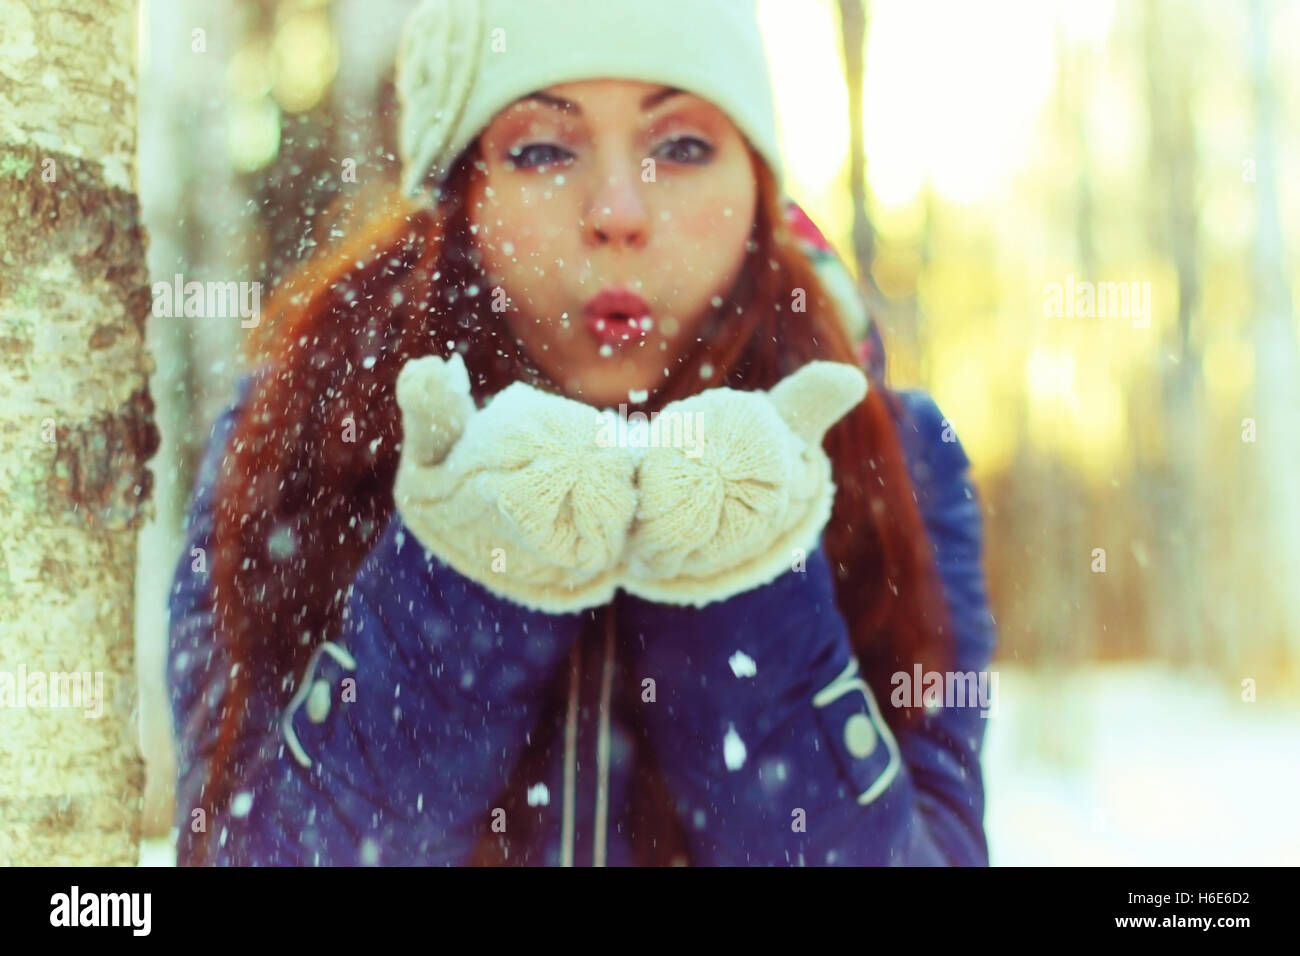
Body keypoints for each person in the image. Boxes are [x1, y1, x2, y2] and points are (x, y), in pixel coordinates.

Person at [167, 0, 997, 866]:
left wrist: (744, 588)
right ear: (460, 197)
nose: (616, 211)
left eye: (680, 146)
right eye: (542, 149)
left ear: (757, 186)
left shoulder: (892, 457)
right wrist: (460, 587)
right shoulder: (301, 431)